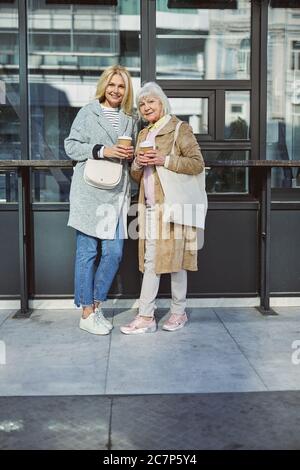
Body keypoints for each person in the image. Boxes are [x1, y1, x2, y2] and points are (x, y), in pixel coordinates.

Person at [120, 82, 205, 335]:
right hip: (148, 208)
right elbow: (138, 176)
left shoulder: (180, 128)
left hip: (173, 206)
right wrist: (137, 162)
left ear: (162, 103)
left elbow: (197, 164)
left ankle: (173, 313)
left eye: (151, 102)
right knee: (151, 261)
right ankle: (151, 315)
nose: (146, 107)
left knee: (175, 262)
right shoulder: (142, 135)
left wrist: (163, 159)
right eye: (142, 104)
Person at [65, 65, 135, 335]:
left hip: (116, 194)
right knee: (87, 253)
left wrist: (131, 156)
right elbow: (71, 146)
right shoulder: (88, 112)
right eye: (112, 84)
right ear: (104, 85)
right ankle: (86, 313)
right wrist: (103, 150)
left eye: (121, 86)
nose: (116, 90)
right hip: (89, 191)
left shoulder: (130, 117)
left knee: (114, 253)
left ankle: (94, 305)